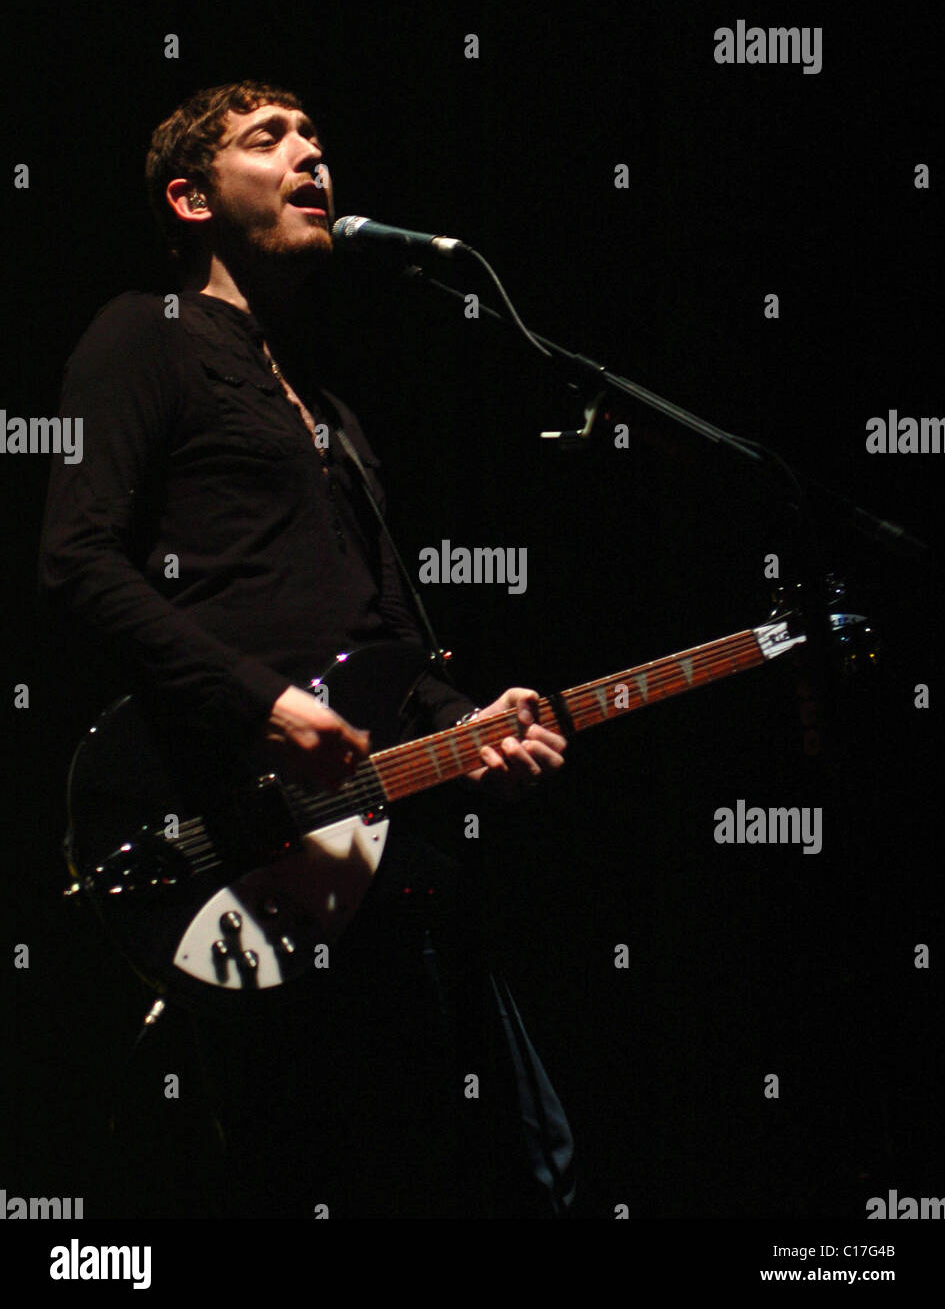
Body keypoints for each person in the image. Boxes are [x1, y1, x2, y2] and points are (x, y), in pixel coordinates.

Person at [40, 80, 574, 1218]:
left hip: (388, 858)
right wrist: (262, 704)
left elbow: (387, 644)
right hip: (244, 829)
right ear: (190, 196)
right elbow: (77, 560)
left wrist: (462, 720)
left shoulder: (330, 409)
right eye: (269, 138)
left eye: (318, 138)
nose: (311, 155)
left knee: (518, 1164)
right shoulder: (146, 335)